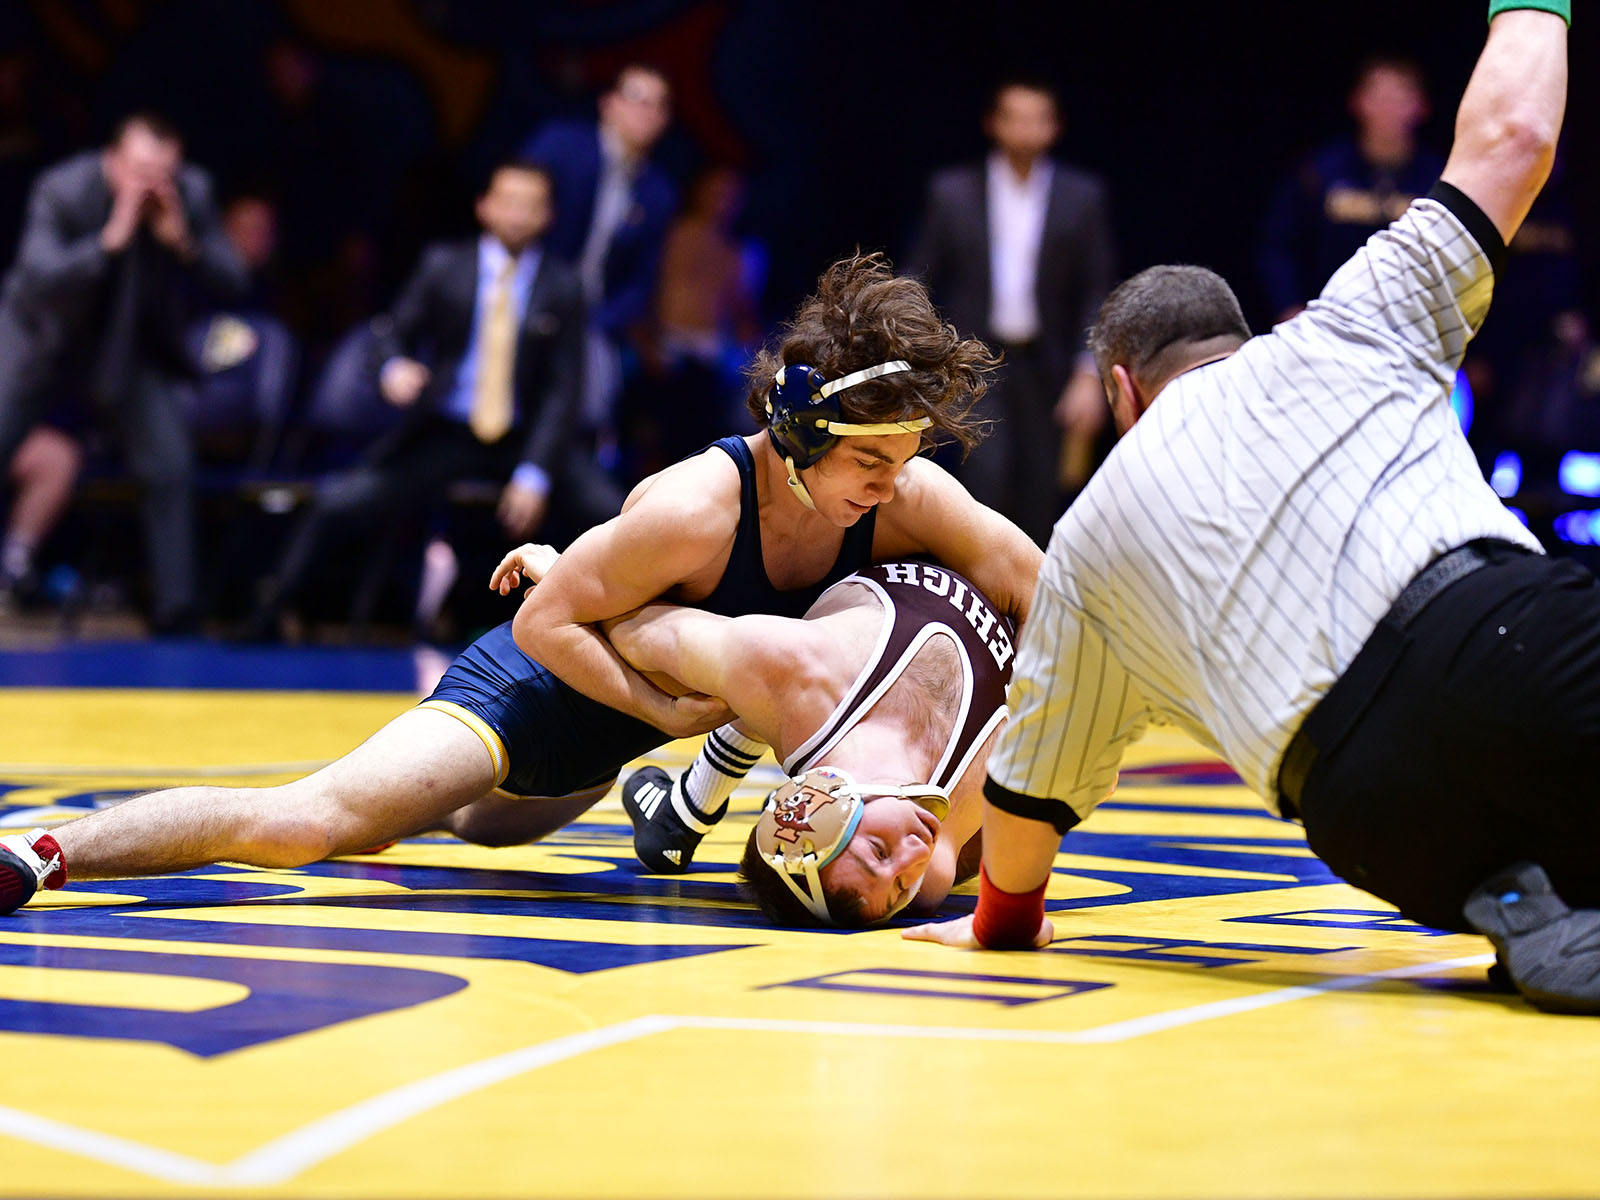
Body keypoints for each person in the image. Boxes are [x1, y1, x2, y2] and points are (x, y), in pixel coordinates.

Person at [907, 5, 1598, 1018]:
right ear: (1236, 339)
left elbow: (1024, 800)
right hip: (1498, 646)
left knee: (1482, 812)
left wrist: (1004, 922)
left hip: (1368, 814)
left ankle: (1516, 890)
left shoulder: (1090, 538)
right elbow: (1513, 140)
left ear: (1118, 391)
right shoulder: (1349, 324)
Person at [0, 254, 1041, 915]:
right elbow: (544, 622)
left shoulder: (893, 495)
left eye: (902, 464)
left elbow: (1039, 585)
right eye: (874, 465)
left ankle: (683, 775)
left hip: (637, 717)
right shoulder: (695, 508)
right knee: (314, 824)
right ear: (804, 434)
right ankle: (44, 851)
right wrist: (660, 707)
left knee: (473, 828)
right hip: (542, 690)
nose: (894, 486)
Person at [246, 160, 595, 638]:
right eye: (508, 202)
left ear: (548, 216)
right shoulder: (444, 266)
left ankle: (625, 636)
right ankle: (271, 613)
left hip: (527, 438)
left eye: (531, 206)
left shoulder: (564, 285)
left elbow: (563, 389)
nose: (518, 215)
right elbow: (390, 335)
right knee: (338, 501)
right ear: (484, 207)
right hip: (446, 431)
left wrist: (535, 473)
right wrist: (393, 368)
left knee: (614, 511)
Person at [606, 557, 1016, 924]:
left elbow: (640, 631)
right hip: (1013, 610)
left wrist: (574, 581)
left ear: (820, 803)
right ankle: (678, 817)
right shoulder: (935, 874)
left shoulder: (797, 670)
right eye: (897, 891)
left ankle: (683, 811)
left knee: (759, 678)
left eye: (879, 851)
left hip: (870, 535)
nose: (914, 856)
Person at [0, 112, 249, 632]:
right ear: (112, 160)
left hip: (125, 354)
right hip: (40, 343)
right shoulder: (64, 189)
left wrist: (183, 241)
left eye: (163, 173)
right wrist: (108, 240)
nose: (151, 185)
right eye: (139, 171)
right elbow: (34, 279)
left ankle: (177, 614)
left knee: (171, 465)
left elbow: (236, 281)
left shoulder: (190, 195)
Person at [909, 77, 1116, 545]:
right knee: (983, 483)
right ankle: (978, 605)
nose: (1026, 130)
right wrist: (922, 356)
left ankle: (1032, 608)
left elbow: (1096, 287)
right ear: (993, 123)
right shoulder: (952, 192)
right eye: (1015, 118)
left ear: (1055, 126)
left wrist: (1090, 373)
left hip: (1050, 367)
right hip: (974, 361)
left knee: (1043, 491)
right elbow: (920, 278)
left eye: (1037, 119)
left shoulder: (1081, 196)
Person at [521, 64, 676, 462]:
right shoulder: (562, 146)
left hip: (594, 319)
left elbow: (642, 284)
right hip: (526, 295)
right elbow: (519, 213)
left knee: (599, 387)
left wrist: (598, 322)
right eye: (639, 99)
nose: (649, 113)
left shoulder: (657, 192)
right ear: (608, 104)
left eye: (660, 105)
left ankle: (582, 463)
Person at [1259, 55, 1446, 326]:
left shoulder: (1442, 180)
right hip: (1326, 323)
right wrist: (1289, 309)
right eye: (1379, 97)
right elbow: (1278, 246)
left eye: (1401, 98)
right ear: (1357, 102)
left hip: (1416, 329)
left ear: (1422, 107)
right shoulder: (1318, 173)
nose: (1389, 109)